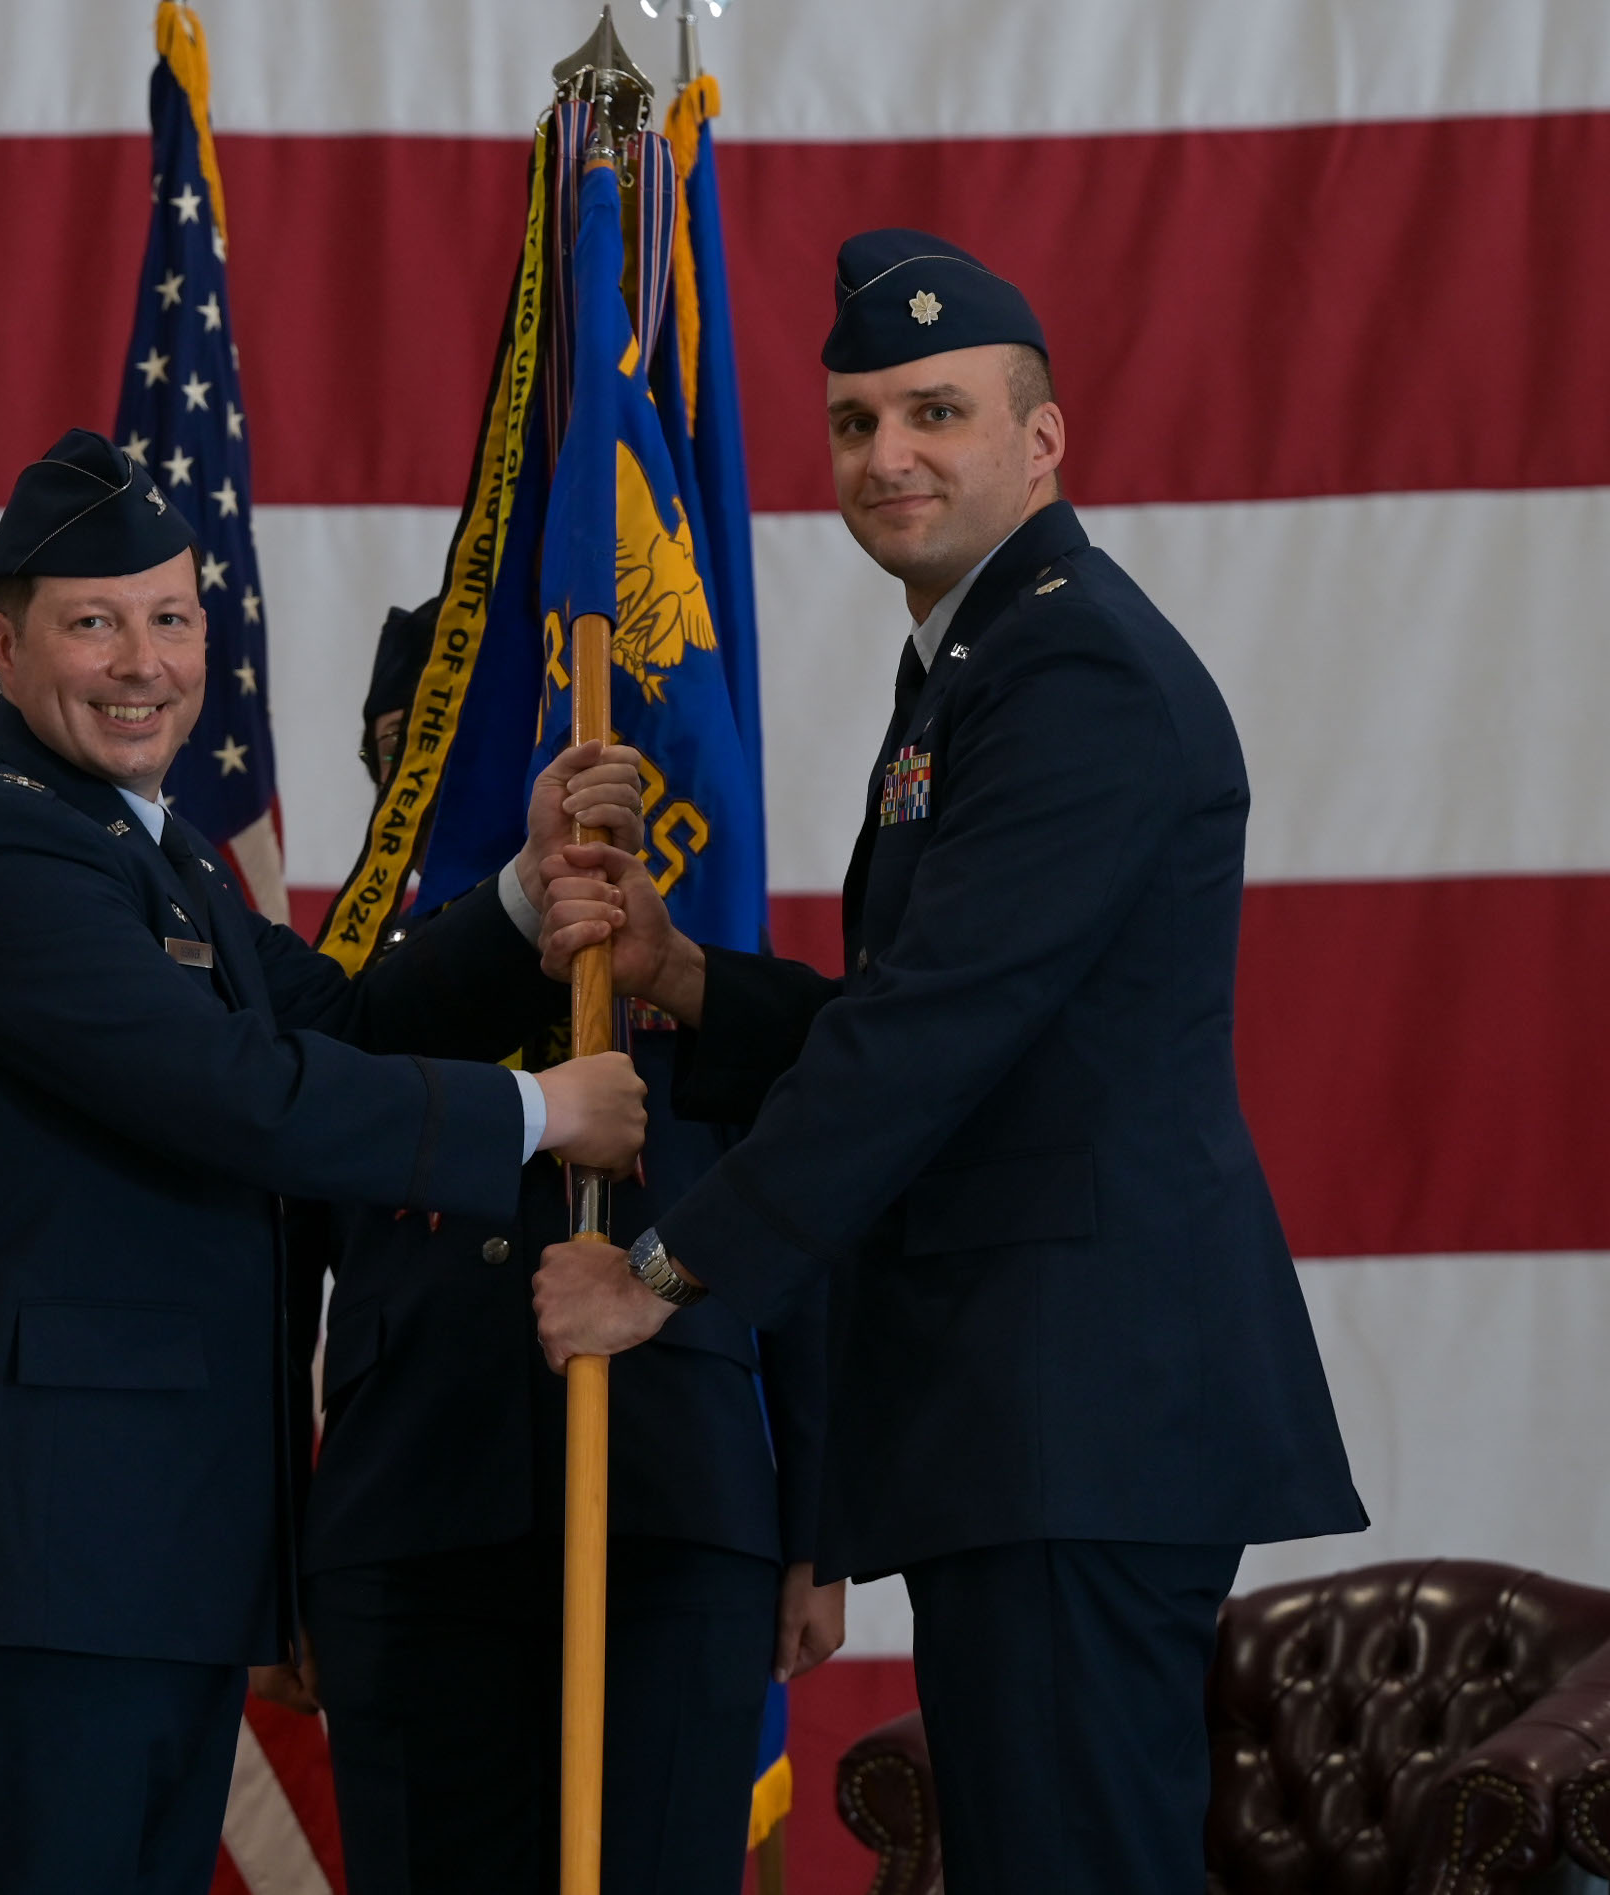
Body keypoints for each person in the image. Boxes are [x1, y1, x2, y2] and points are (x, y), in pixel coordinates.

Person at [530, 232, 1368, 1894]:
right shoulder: (983, 664)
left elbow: (937, 1034)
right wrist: (688, 978)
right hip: (1037, 1404)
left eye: (934, 413)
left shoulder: (1068, 670)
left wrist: (664, 1270)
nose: (885, 456)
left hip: (1081, 1394)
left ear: (1040, 442)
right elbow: (929, 1003)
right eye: (852, 424)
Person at [0, 429, 648, 1895]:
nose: (140, 661)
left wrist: (526, 895)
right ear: (1, 645)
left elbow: (336, 1016)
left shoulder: (153, 851)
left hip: (146, 1560)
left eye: (169, 617)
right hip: (46, 1564)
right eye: (92, 622)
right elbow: (243, 1095)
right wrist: (541, 1116)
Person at [263, 607, 843, 1895]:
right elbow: (276, 1278)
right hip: (408, 1515)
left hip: (675, 1506)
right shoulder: (345, 994)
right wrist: (271, 1557)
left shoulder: (688, 971)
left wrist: (817, 1530)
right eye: (426, 742)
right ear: (384, 759)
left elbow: (798, 1235)